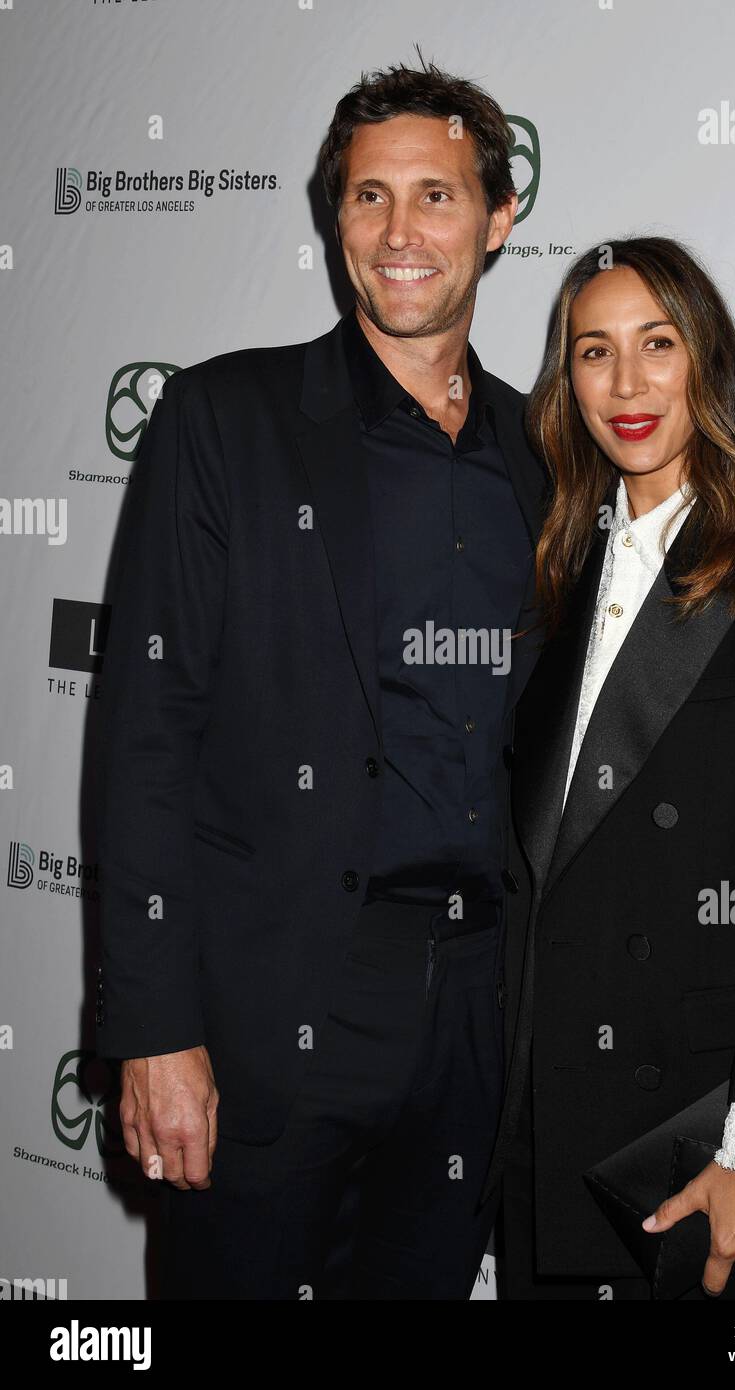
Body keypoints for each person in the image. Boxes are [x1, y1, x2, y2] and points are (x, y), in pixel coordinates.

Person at [95, 57, 546, 1300]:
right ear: (333, 216)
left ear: (500, 217)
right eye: (368, 198)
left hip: (472, 1010)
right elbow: (144, 738)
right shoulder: (223, 419)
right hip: (269, 1005)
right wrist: (153, 1029)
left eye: (437, 196)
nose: (400, 233)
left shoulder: (548, 453)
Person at [479, 236, 735, 1300]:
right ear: (563, 381)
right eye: (592, 352)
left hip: (697, 1134)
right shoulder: (554, 565)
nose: (625, 384)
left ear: (707, 357)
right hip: (540, 1121)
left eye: (656, 344)